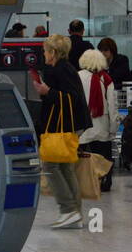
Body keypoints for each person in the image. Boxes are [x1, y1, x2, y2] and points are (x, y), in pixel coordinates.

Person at [31, 33, 92, 229]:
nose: (44, 53)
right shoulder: (65, 68)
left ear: (53, 52)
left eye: (45, 50)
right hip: (70, 124)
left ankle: (68, 210)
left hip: (62, 125)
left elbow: (70, 97)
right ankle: (75, 213)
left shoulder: (60, 70)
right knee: (65, 166)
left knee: (51, 166)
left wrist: (46, 91)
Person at [78, 48, 119, 192]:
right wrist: (113, 129)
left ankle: (83, 183)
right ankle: (104, 182)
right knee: (104, 158)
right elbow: (112, 107)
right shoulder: (106, 79)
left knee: (81, 158)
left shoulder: (77, 77)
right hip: (102, 126)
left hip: (82, 127)